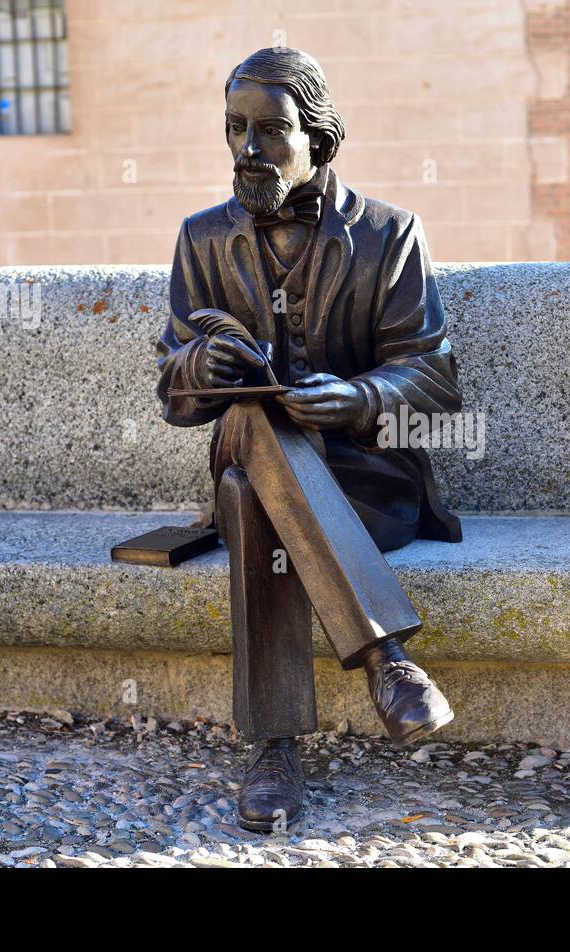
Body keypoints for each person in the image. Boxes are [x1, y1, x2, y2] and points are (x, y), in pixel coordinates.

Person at [154, 47, 461, 833]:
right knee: (252, 423)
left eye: (269, 131)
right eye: (234, 129)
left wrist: (355, 398)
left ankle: (274, 749)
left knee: (253, 499)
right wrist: (199, 361)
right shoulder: (200, 241)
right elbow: (173, 393)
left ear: (320, 141)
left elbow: (432, 380)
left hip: (364, 486)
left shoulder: (390, 235)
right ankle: (387, 660)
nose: (247, 150)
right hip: (242, 449)